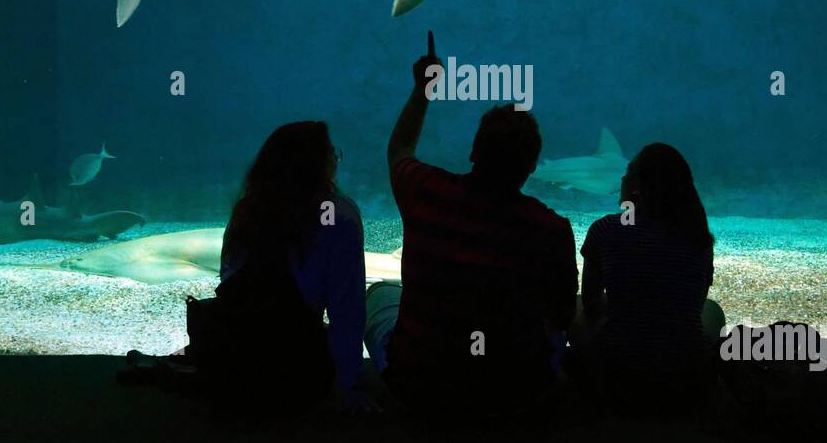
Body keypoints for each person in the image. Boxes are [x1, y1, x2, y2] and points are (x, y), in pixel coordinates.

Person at [367, 32, 578, 415]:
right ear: (531, 168)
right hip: (514, 393)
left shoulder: (425, 191)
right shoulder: (551, 229)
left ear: (474, 151)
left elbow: (398, 149)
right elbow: (562, 316)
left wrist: (424, 88)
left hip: (418, 385)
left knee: (381, 295)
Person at [212, 121, 373, 413]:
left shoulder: (246, 211)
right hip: (298, 375)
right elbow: (346, 311)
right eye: (332, 154)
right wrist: (350, 387)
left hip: (228, 365)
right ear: (322, 163)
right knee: (381, 298)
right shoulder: (338, 216)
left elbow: (230, 285)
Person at [568, 142, 725, 411]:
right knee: (712, 311)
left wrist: (629, 301)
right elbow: (693, 305)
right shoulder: (699, 237)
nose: (621, 178)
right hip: (687, 379)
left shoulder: (605, 229)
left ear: (638, 186)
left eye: (628, 171)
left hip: (614, 375)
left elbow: (593, 305)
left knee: (576, 304)